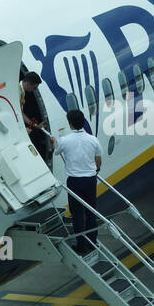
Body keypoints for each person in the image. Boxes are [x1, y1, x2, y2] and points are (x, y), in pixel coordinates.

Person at [55, 108, 102, 255]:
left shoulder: (65, 141)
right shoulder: (93, 140)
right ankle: (92, 242)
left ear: (70, 124)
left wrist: (53, 142)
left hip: (74, 182)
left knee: (77, 214)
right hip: (90, 180)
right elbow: (98, 160)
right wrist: (96, 170)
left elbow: (56, 151)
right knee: (90, 212)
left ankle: (81, 244)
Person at [20, 72, 54, 164]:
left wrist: (35, 126)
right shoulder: (17, 91)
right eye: (34, 88)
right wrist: (22, 131)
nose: (34, 90)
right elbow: (17, 114)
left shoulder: (22, 91)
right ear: (27, 84)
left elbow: (21, 113)